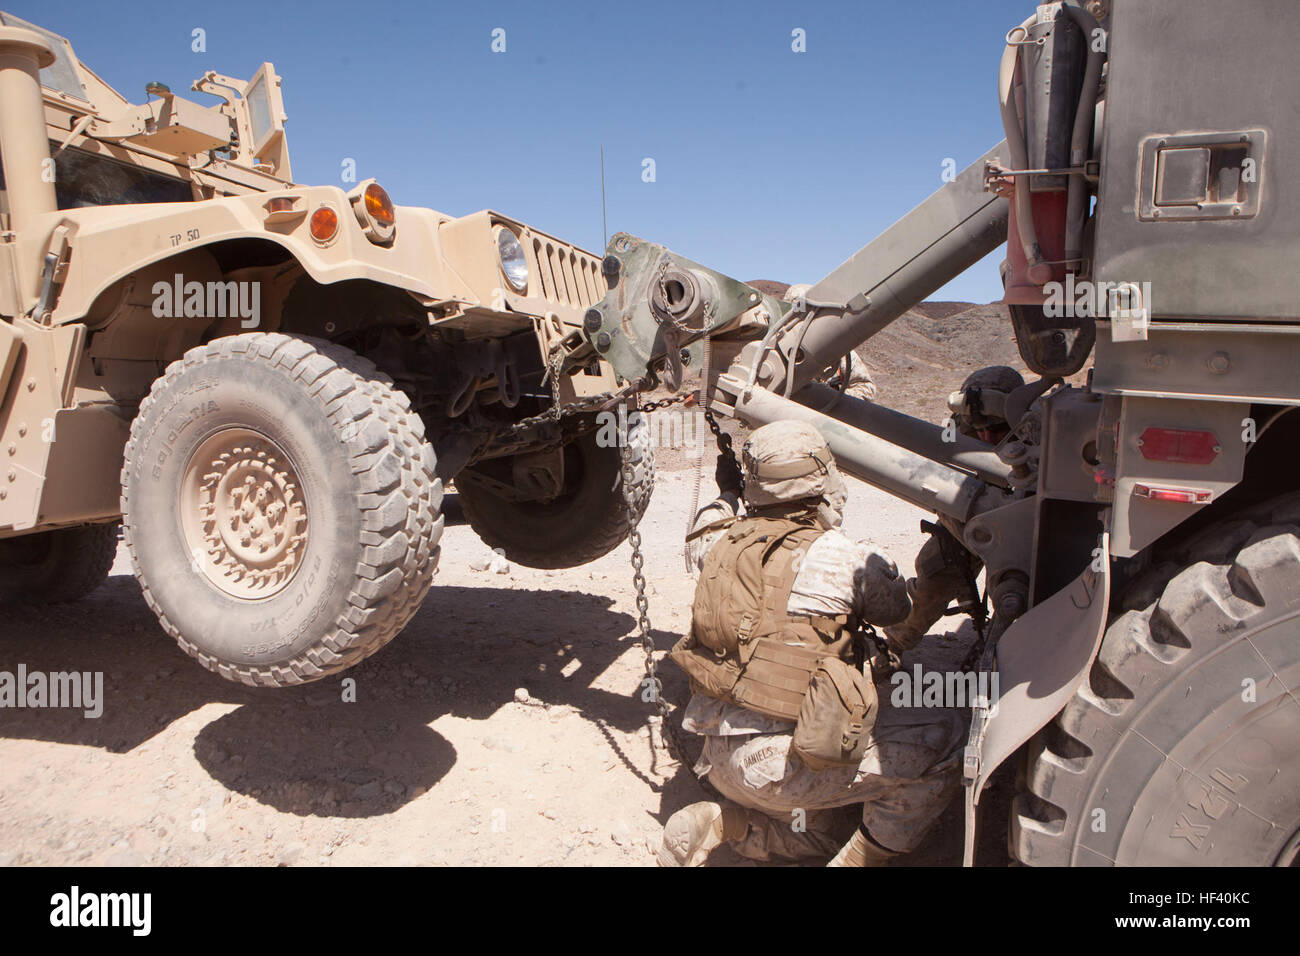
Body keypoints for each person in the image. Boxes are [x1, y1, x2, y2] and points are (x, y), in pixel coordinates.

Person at [659, 420, 965, 867]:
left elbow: (713, 517)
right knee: (949, 740)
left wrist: (728, 491)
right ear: (824, 479)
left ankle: (727, 821)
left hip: (719, 756)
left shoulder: (715, 543)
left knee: (822, 832)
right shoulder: (847, 557)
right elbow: (898, 613)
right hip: (783, 765)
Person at [882, 365, 1025, 653]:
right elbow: (943, 491)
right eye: (978, 430)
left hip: (1022, 526)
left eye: (996, 430)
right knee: (935, 575)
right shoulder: (958, 429)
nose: (985, 438)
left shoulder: (1036, 431)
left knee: (1017, 592)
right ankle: (895, 644)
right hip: (968, 525)